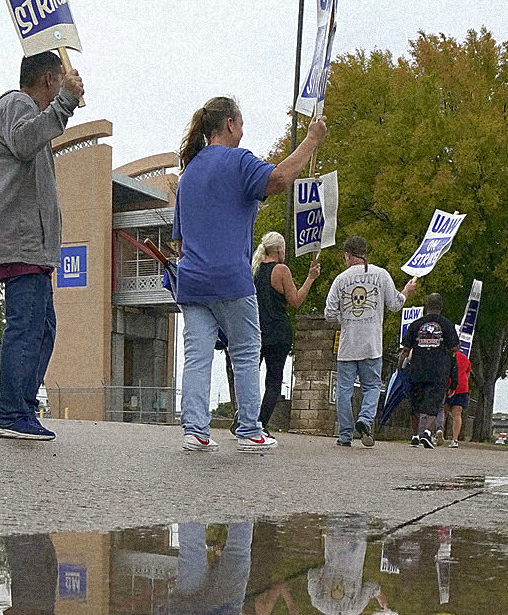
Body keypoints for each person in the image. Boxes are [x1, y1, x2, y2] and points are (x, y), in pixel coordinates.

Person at [172, 97, 324, 453]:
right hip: (230, 277)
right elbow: (280, 178)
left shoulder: (188, 174)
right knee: (245, 351)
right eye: (240, 123)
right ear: (230, 123)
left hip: (191, 280)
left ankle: (195, 430)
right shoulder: (238, 161)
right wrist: (311, 139)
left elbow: (179, 241)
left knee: (197, 356)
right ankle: (250, 429)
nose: (242, 130)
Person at [0, 51, 83, 441]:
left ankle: (21, 406)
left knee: (41, 327)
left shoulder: (22, 112)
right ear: (49, 79)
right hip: (22, 240)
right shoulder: (17, 105)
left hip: (30, 244)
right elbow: (25, 142)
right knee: (27, 327)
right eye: (60, 81)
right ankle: (13, 412)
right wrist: (66, 102)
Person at [323, 236, 415, 446]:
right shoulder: (381, 274)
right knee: (372, 386)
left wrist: (344, 319)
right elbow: (395, 304)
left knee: (344, 391)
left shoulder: (340, 279)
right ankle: (365, 419)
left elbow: (329, 313)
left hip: (348, 345)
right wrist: (406, 291)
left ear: (348, 255)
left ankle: (345, 435)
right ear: (364, 253)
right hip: (372, 344)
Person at [251, 231, 320, 433]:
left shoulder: (253, 269)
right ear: (280, 249)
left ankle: (245, 416)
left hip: (255, 330)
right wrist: (310, 278)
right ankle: (261, 423)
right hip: (277, 331)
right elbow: (295, 301)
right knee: (273, 380)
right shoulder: (281, 270)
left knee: (249, 376)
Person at [401, 292, 461, 448]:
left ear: (427, 306)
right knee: (433, 403)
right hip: (438, 370)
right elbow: (455, 347)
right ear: (441, 307)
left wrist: (400, 366)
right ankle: (427, 432)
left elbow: (406, 348)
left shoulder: (416, 324)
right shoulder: (447, 325)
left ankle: (415, 435)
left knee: (415, 403)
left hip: (417, 368)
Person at [447, 350, 472, 447]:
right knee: (457, 414)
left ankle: (437, 434)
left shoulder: (445, 356)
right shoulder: (464, 358)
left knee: (442, 412)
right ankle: (455, 439)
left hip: (448, 386)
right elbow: (468, 374)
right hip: (462, 386)